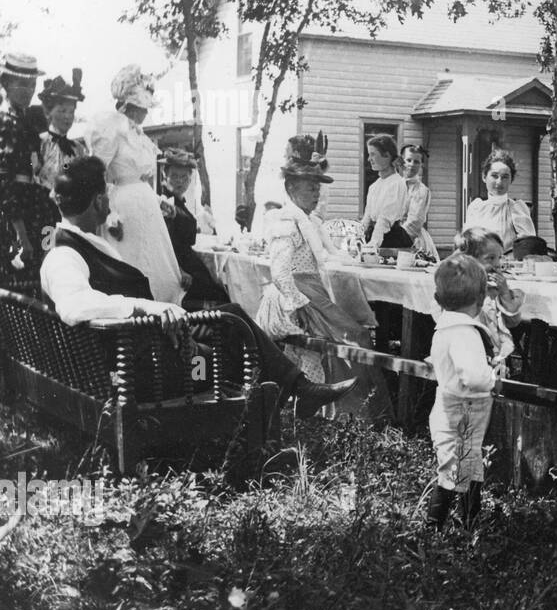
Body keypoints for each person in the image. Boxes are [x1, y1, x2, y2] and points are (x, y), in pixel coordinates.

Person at [39, 156, 354, 416]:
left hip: (144, 358)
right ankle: (285, 399)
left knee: (230, 317)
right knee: (230, 350)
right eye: (106, 195)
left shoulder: (80, 243)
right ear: (97, 201)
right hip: (152, 376)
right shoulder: (64, 255)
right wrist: (146, 306)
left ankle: (297, 389)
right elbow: (74, 305)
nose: (109, 200)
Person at [258, 135, 393, 422]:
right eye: (310, 187)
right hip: (295, 294)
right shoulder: (286, 222)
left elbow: (330, 256)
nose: (316, 193)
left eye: (318, 187)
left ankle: (343, 414)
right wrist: (298, 306)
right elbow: (280, 272)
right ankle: (341, 413)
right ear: (291, 187)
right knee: (350, 336)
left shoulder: (310, 222)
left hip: (311, 289)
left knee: (352, 334)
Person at [84, 65, 184, 305]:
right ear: (129, 105)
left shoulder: (138, 134)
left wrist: (158, 200)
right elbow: (98, 174)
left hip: (146, 209)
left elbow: (141, 178)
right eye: (141, 109)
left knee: (160, 274)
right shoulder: (112, 128)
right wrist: (109, 213)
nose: (145, 114)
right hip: (123, 208)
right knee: (131, 267)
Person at [425, 254, 505, 531]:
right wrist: (492, 379)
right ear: (481, 298)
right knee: (458, 471)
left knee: (464, 467)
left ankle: (463, 522)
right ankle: (440, 526)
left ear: (438, 298)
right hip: (465, 409)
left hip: (449, 405)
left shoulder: (445, 324)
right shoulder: (464, 332)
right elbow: (473, 376)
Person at [0, 51, 60, 273]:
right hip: (18, 220)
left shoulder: (27, 119)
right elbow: (3, 182)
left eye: (31, 84)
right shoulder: (5, 122)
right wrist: (20, 235)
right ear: (5, 82)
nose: (28, 90)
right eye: (21, 84)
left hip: (37, 210)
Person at [159, 147, 230, 310]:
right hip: (179, 267)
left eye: (184, 177)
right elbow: (164, 242)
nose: (179, 181)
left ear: (190, 180)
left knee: (222, 289)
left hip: (189, 262)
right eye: (174, 176)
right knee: (219, 296)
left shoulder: (180, 203)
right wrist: (180, 270)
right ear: (165, 175)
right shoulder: (165, 204)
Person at [454, 226, 526, 366]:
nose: (497, 264)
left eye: (499, 258)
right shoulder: (460, 288)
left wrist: (505, 293)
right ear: (469, 260)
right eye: (491, 258)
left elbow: (513, 322)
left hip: (493, 350)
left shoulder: (496, 289)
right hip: (467, 346)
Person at [462, 148, 536, 253]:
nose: (499, 182)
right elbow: (466, 243)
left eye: (505, 177)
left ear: (511, 180)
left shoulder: (516, 208)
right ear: (484, 177)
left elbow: (529, 247)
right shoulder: (476, 207)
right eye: (494, 176)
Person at [37, 69, 89, 197]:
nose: (67, 116)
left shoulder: (79, 149)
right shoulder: (38, 143)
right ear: (48, 112)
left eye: (71, 112)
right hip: (42, 206)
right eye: (62, 111)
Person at [359, 135, 410, 248]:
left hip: (391, 239)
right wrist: (356, 237)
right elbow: (367, 218)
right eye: (369, 154)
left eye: (373, 154)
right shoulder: (374, 186)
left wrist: (374, 243)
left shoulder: (397, 183)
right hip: (373, 236)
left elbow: (385, 219)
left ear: (386, 156)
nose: (369, 159)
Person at [399, 143, 439, 257]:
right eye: (408, 160)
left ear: (421, 164)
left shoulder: (421, 190)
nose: (411, 165)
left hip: (410, 239)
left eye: (416, 162)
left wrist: (396, 238)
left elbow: (415, 222)